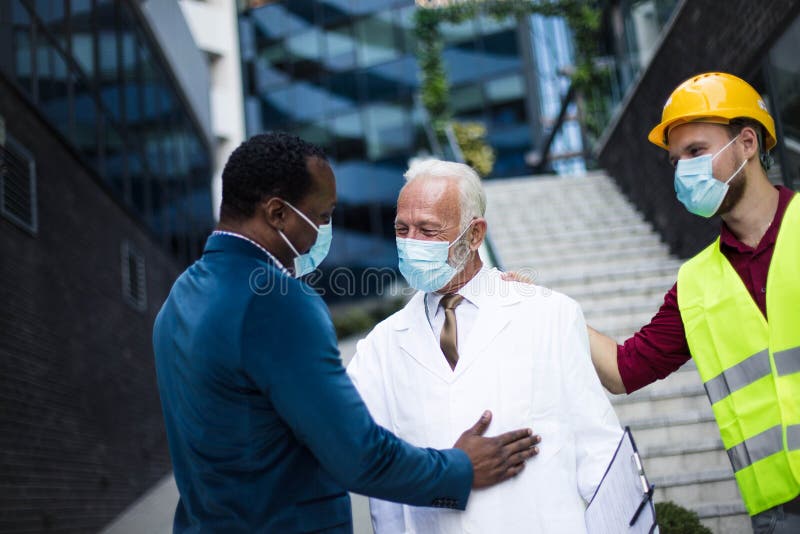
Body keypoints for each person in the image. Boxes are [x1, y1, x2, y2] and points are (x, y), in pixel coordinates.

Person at [152, 133, 541, 533]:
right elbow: (358, 455)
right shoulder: (275, 301)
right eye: (322, 217)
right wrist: (460, 468)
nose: (325, 231)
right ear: (277, 213)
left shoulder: (179, 299)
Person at [346, 159, 623, 533]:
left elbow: (600, 454)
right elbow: (375, 479)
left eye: (428, 230)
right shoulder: (379, 348)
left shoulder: (549, 314)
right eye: (402, 229)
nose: (411, 243)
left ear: (475, 235)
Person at [586, 72, 800, 532]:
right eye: (676, 160)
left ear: (747, 143)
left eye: (696, 152)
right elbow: (624, 370)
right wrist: (549, 307)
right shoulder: (695, 283)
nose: (683, 170)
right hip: (780, 512)